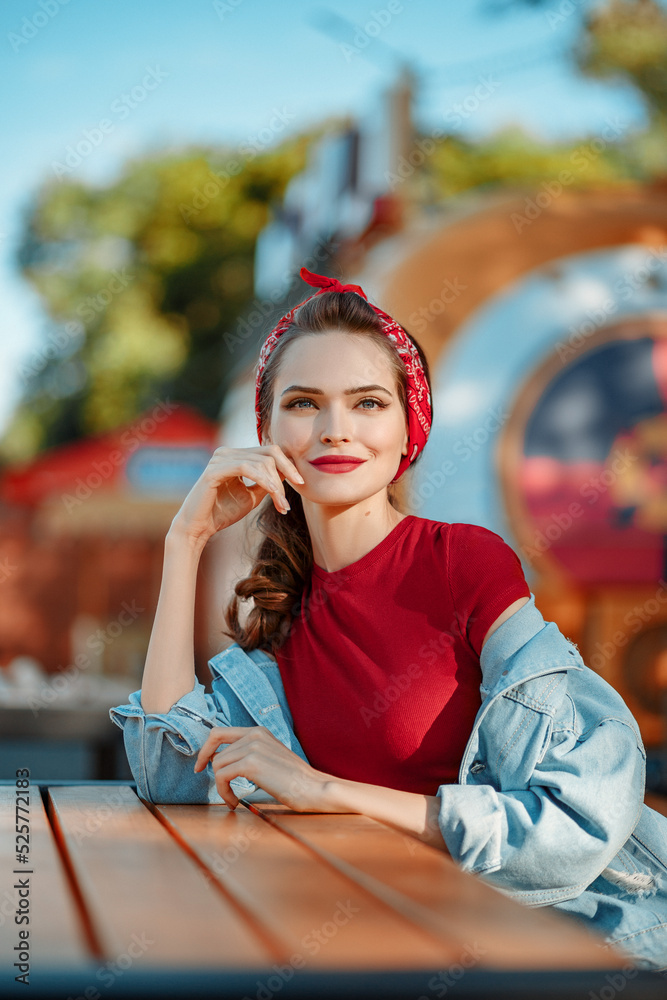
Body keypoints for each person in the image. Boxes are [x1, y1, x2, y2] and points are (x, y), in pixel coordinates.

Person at [110, 267, 667, 972]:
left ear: (410, 426)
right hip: (364, 943)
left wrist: (327, 792)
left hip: (549, 948)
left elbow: (571, 823)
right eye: (304, 403)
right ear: (267, 431)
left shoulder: (464, 563)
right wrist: (184, 542)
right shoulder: (284, 611)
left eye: (367, 403)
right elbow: (170, 773)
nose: (335, 430)